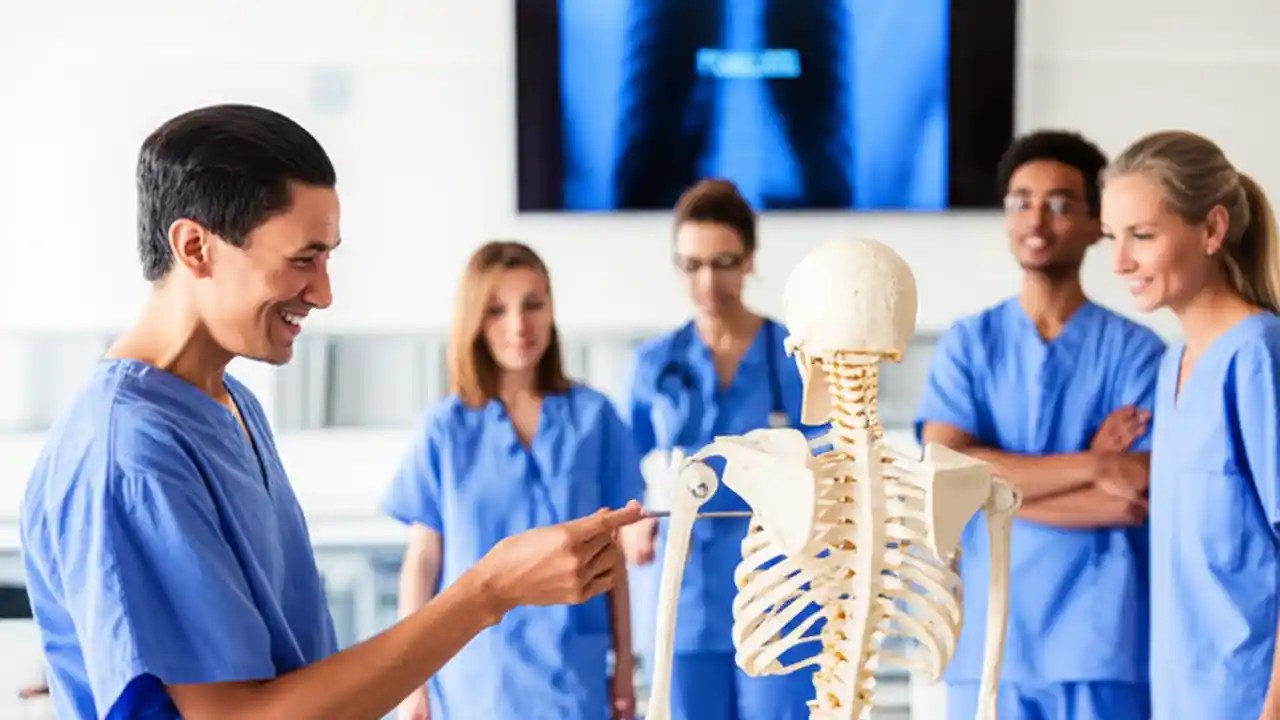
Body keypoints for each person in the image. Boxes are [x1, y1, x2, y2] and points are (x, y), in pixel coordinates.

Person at [17, 104, 643, 720]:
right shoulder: (127, 452)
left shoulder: (231, 405)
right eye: (303, 260)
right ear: (195, 247)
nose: (323, 292)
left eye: (327, 258)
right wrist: (488, 593)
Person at [915, 130, 1166, 719]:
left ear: (1097, 224)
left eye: (1059, 204)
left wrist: (989, 488)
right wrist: (1095, 464)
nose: (1036, 219)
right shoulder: (969, 345)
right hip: (990, 641)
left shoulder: (1137, 352)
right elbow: (943, 474)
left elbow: (1135, 496)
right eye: (1021, 201)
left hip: (1100, 641)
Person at [382, 241, 646, 720]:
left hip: (572, 676)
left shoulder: (595, 419)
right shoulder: (446, 430)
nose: (519, 326)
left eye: (533, 305)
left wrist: (625, 664)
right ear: (474, 321)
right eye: (497, 311)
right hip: (475, 679)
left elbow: (614, 557)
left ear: (552, 310)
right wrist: (411, 682)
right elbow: (422, 561)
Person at [620, 178, 821, 720]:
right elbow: (621, 467)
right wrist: (631, 520)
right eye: (692, 265)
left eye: (723, 262)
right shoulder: (654, 363)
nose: (707, 281)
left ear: (749, 260)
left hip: (781, 591)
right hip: (686, 595)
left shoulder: (795, 360)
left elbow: (831, 465)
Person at [1103, 130, 1280, 720]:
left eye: (1142, 236)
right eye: (1111, 237)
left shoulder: (1257, 357)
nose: (1119, 262)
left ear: (1212, 229)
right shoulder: (1172, 365)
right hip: (1183, 698)